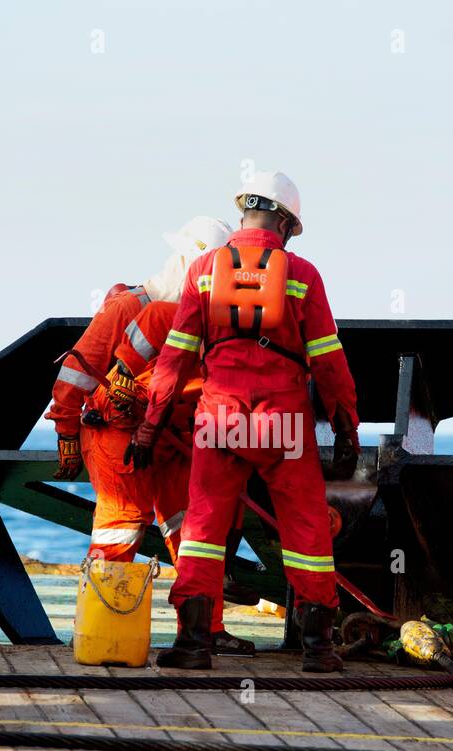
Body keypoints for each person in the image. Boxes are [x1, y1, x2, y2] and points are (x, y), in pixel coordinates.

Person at [130, 171, 361, 672]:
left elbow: (175, 357)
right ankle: (319, 648)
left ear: (244, 215)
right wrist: (347, 427)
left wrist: (150, 426)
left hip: (220, 420)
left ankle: (194, 643)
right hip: (284, 423)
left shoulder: (204, 271)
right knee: (305, 530)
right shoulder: (303, 275)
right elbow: (328, 359)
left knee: (203, 528)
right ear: (286, 223)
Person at [45, 216, 257, 655]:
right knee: (122, 526)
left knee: (196, 533)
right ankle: (103, 629)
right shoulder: (129, 308)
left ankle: (204, 630)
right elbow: (75, 373)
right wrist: (67, 432)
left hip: (174, 438)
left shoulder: (208, 322)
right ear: (185, 262)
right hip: (117, 436)